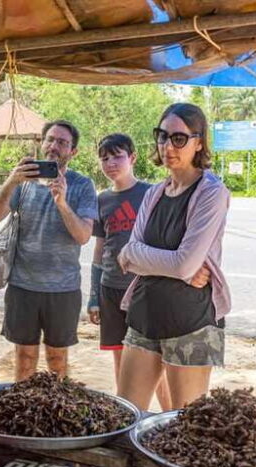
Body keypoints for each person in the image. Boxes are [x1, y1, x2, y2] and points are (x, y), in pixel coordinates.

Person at [116, 103, 230, 411]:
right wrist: (174, 266)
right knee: (126, 415)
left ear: (199, 142)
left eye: (179, 138)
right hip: (144, 316)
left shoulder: (211, 192)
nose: (168, 146)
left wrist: (152, 260)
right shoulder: (155, 193)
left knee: (185, 425)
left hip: (191, 321)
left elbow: (184, 263)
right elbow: (126, 255)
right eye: (162, 136)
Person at [0, 120, 98, 381]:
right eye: (50, 139)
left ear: (73, 152)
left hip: (63, 289)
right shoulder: (24, 181)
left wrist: (61, 202)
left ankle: (56, 415)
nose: (54, 146)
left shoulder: (82, 185)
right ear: (41, 143)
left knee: (57, 361)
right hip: (22, 286)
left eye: (62, 142)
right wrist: (12, 180)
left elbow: (83, 235)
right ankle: (22, 413)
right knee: (24, 359)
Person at [87, 133, 172, 409]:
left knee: (153, 362)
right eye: (105, 158)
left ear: (132, 158)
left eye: (117, 156)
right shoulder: (102, 200)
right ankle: (128, 415)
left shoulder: (152, 193)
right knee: (121, 361)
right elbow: (100, 249)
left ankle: (171, 416)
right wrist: (93, 295)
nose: (111, 162)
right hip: (110, 288)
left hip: (143, 289)